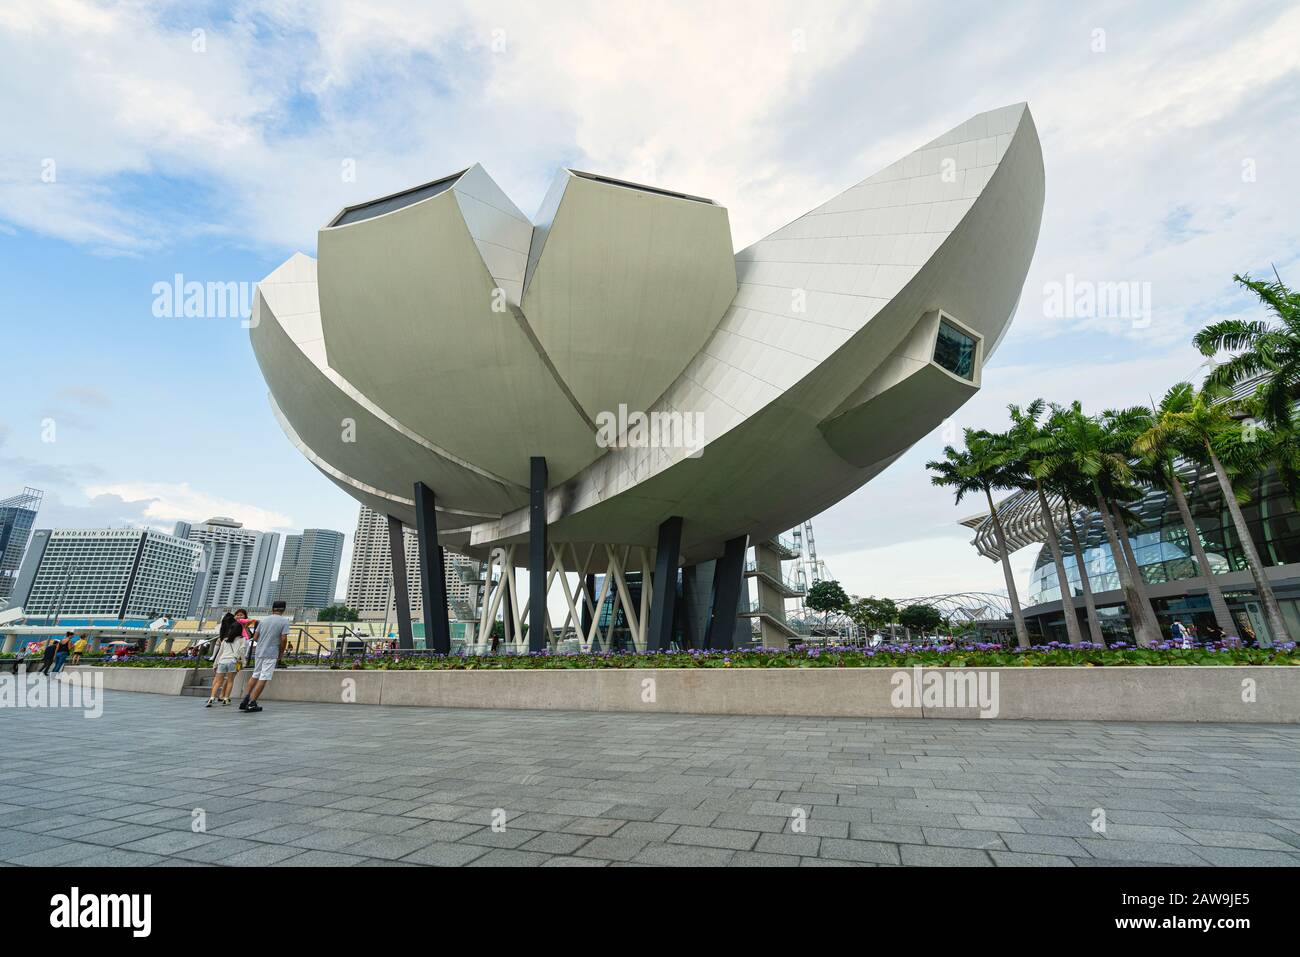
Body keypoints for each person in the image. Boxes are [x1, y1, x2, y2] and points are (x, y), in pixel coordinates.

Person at [239, 600, 291, 714]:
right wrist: (281, 652)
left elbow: (256, 637)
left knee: (255, 674)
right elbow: (283, 639)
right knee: (264, 677)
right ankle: (252, 702)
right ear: (284, 610)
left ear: (272, 609)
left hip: (259, 651)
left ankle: (245, 699)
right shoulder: (284, 621)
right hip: (271, 652)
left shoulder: (263, 620)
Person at [206, 612, 249, 708]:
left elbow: (220, 653)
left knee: (218, 681)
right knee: (230, 681)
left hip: (222, 661)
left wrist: (215, 664)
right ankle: (226, 698)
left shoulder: (225, 640)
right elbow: (242, 652)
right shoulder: (242, 639)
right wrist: (244, 663)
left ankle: (211, 698)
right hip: (232, 662)